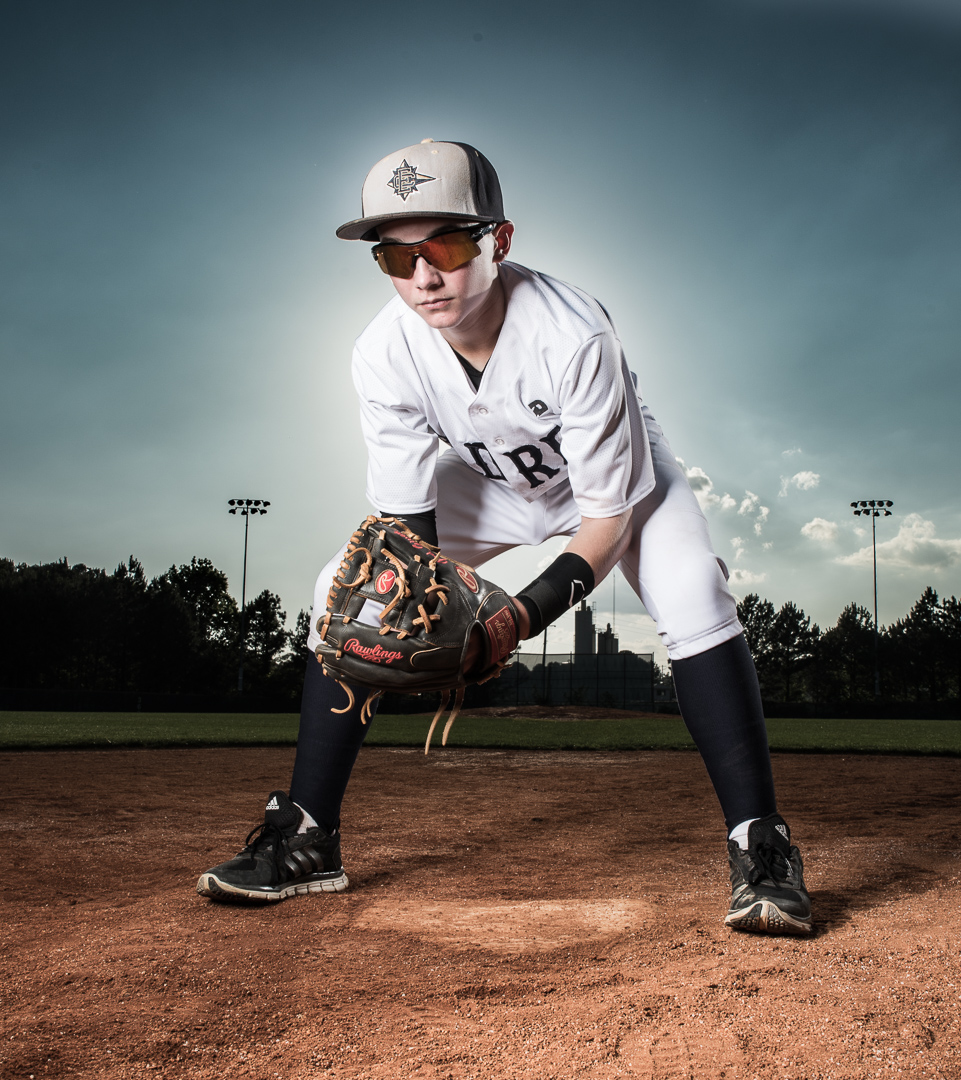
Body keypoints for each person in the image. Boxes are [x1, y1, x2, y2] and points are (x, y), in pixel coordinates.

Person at [197, 140, 812, 935]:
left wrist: (512, 620)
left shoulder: (574, 334)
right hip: (487, 488)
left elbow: (607, 520)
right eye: (394, 255)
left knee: (692, 584)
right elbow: (407, 536)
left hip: (607, 482)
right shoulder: (384, 352)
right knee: (339, 591)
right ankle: (311, 835)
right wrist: (418, 606)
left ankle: (760, 842)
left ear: (501, 240)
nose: (422, 276)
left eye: (446, 246)